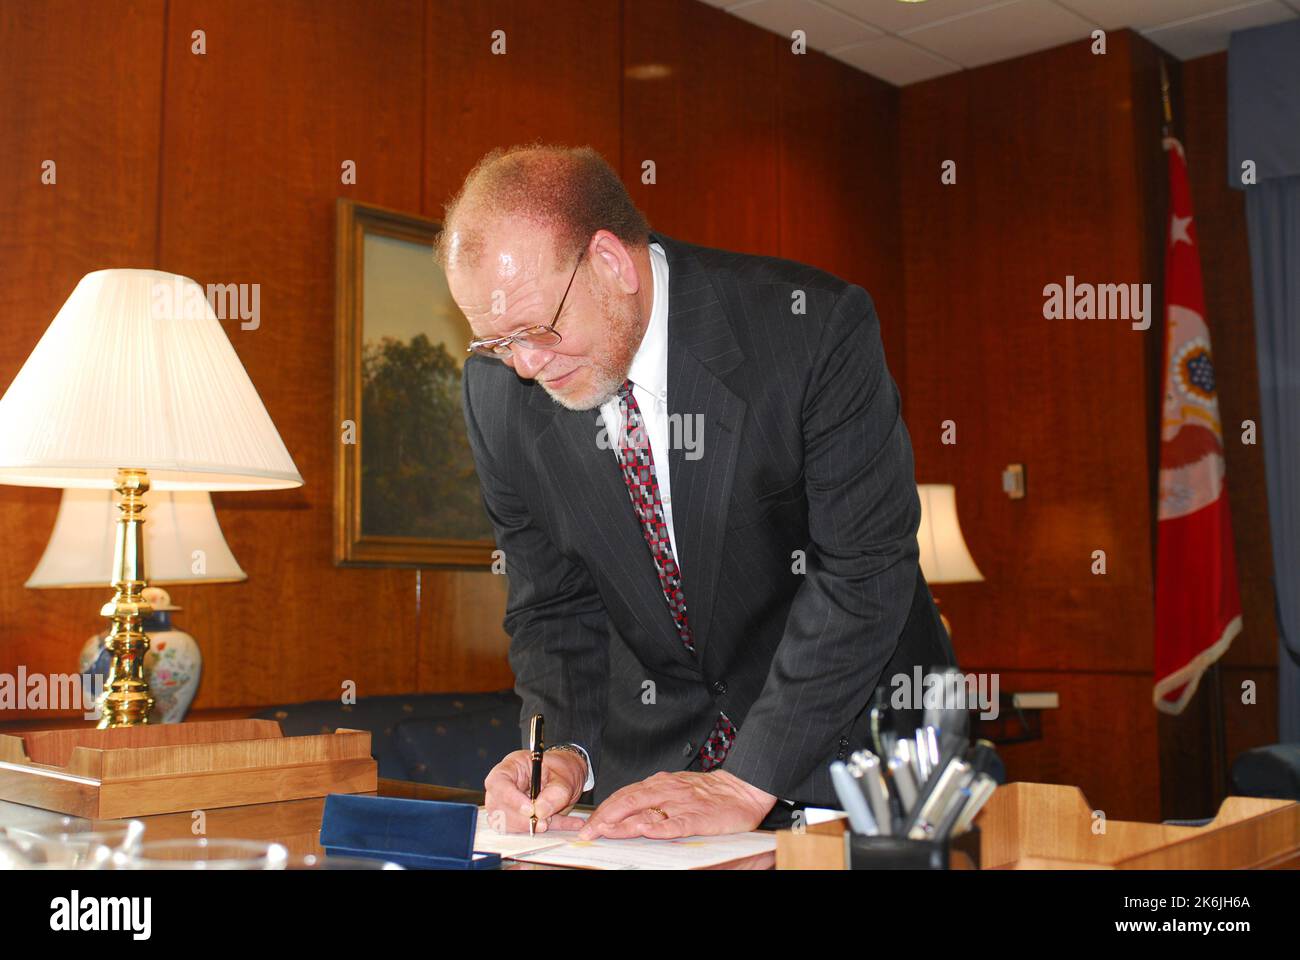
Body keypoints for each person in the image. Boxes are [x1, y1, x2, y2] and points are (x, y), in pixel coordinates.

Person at [437, 144, 955, 840]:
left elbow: (863, 572)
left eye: (535, 330)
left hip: (860, 763)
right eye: (496, 343)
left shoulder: (810, 329)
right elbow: (552, 603)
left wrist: (748, 779)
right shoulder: (498, 394)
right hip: (657, 789)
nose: (525, 366)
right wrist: (564, 747)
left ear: (612, 263)